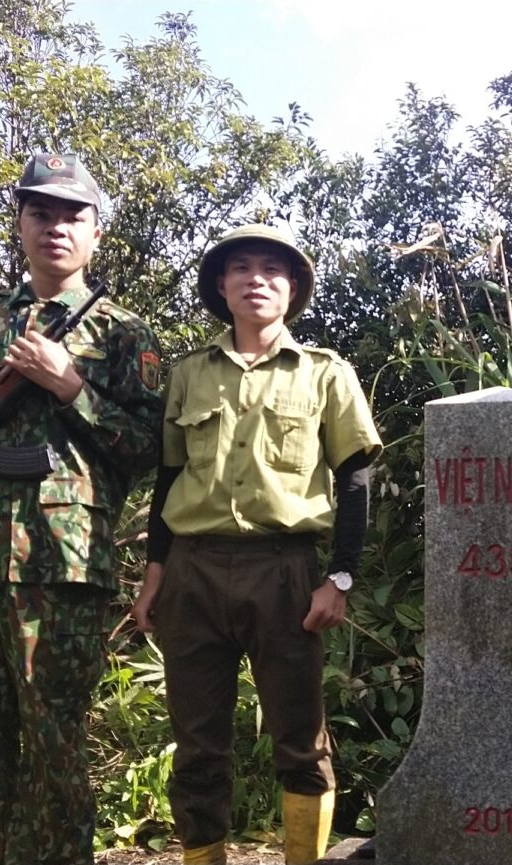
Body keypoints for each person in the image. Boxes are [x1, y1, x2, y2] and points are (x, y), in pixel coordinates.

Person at [0, 153, 164, 865]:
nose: (56, 226)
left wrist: (70, 383)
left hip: (62, 562)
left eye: (72, 214)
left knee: (53, 744)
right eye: (40, 212)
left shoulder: (123, 333)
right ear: (19, 224)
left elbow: (149, 447)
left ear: (96, 232)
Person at [133, 223, 381, 865]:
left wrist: (341, 577)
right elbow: (168, 478)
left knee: (300, 738)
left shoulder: (325, 373)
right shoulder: (189, 373)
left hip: (285, 573)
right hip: (193, 571)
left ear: (292, 287)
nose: (256, 279)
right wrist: (154, 572)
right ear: (222, 285)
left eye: (272, 270)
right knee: (197, 742)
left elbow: (356, 477)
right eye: (240, 268)